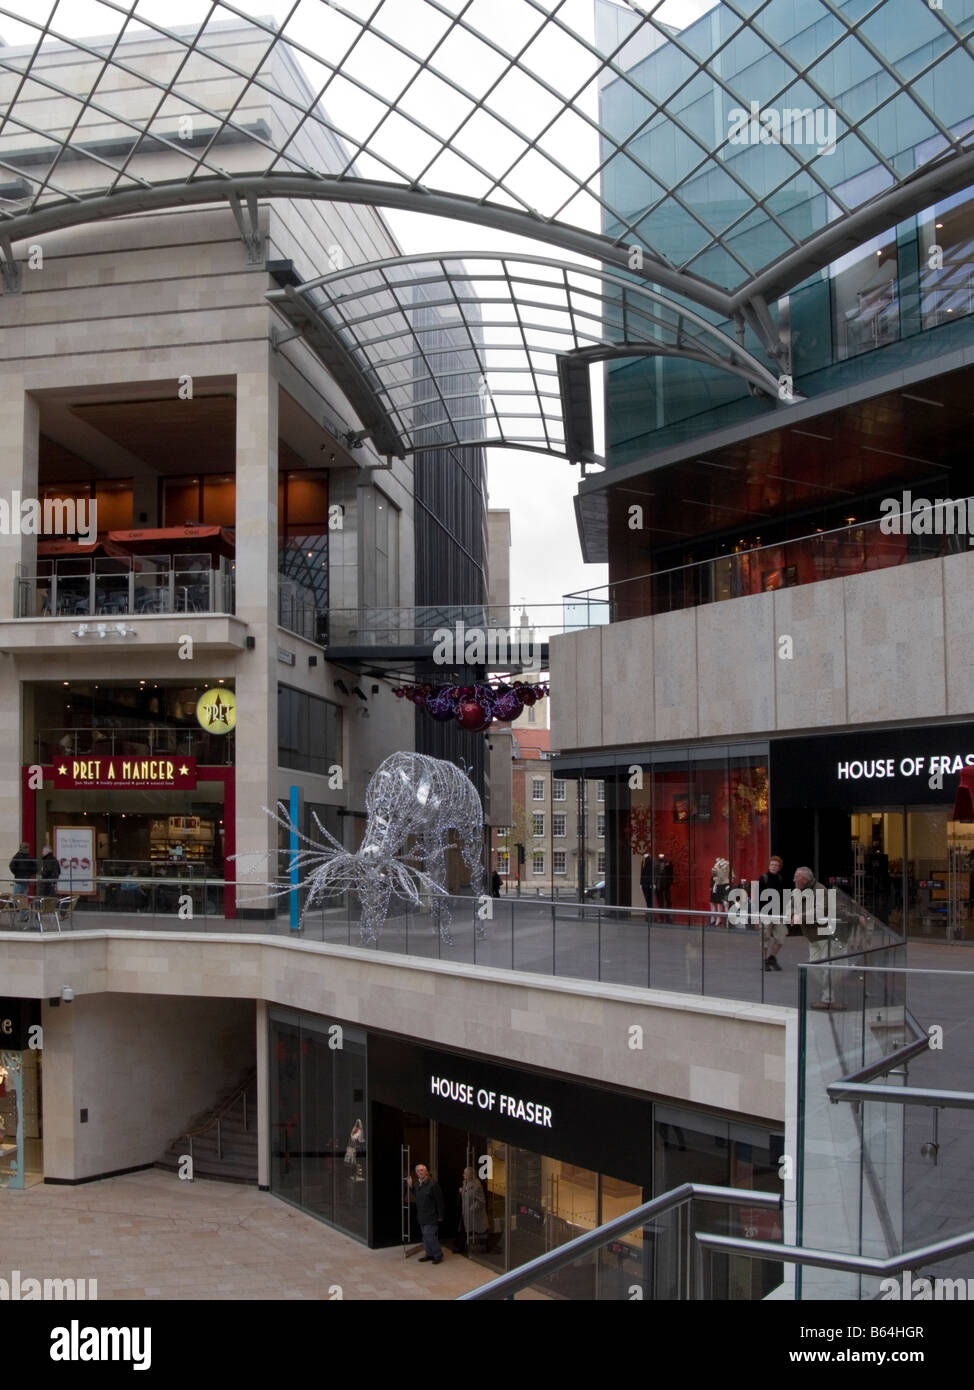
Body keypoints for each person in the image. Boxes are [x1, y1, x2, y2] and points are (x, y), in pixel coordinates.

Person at [407, 1163, 445, 1264]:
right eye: (418, 1170)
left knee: (429, 1236)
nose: (420, 1172)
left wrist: (440, 1216)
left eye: (422, 1170)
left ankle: (438, 1254)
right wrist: (410, 1186)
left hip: (431, 1216)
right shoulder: (417, 1184)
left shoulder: (433, 1184)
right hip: (422, 1216)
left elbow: (439, 1201)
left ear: (426, 1171)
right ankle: (429, 1254)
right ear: (416, 1173)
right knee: (425, 1237)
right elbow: (417, 1195)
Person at [760, 854, 786, 971]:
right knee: (765, 938)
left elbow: (783, 897)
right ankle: (764, 960)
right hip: (765, 913)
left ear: (779, 867)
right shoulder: (763, 878)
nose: (773, 867)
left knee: (781, 937)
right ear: (769, 866)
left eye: (776, 865)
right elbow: (757, 897)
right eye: (772, 865)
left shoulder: (780, 879)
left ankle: (772, 958)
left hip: (778, 914)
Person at [459, 1166, 488, 1255]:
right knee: (466, 1230)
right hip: (466, 1213)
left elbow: (481, 1201)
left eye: (465, 1173)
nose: (463, 1175)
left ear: (470, 1174)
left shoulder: (476, 1185)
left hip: (475, 1214)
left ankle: (477, 1249)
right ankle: (463, 1247)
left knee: (477, 1231)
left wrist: (472, 1209)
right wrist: (462, 1192)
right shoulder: (465, 1183)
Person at [9, 842, 36, 919]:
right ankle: (23, 915)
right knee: (23, 898)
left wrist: (17, 873)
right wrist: (29, 874)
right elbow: (35, 869)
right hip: (26, 880)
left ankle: (20, 914)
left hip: (19, 880)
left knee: (16, 897)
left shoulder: (17, 856)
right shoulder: (30, 858)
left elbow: (11, 866)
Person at [709, 856, 730, 925]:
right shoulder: (716, 868)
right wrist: (712, 886)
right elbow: (713, 877)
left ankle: (726, 920)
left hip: (724, 886)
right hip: (717, 886)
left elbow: (731, 877)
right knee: (717, 903)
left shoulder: (727, 867)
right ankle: (717, 919)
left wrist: (729, 885)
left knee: (725, 903)